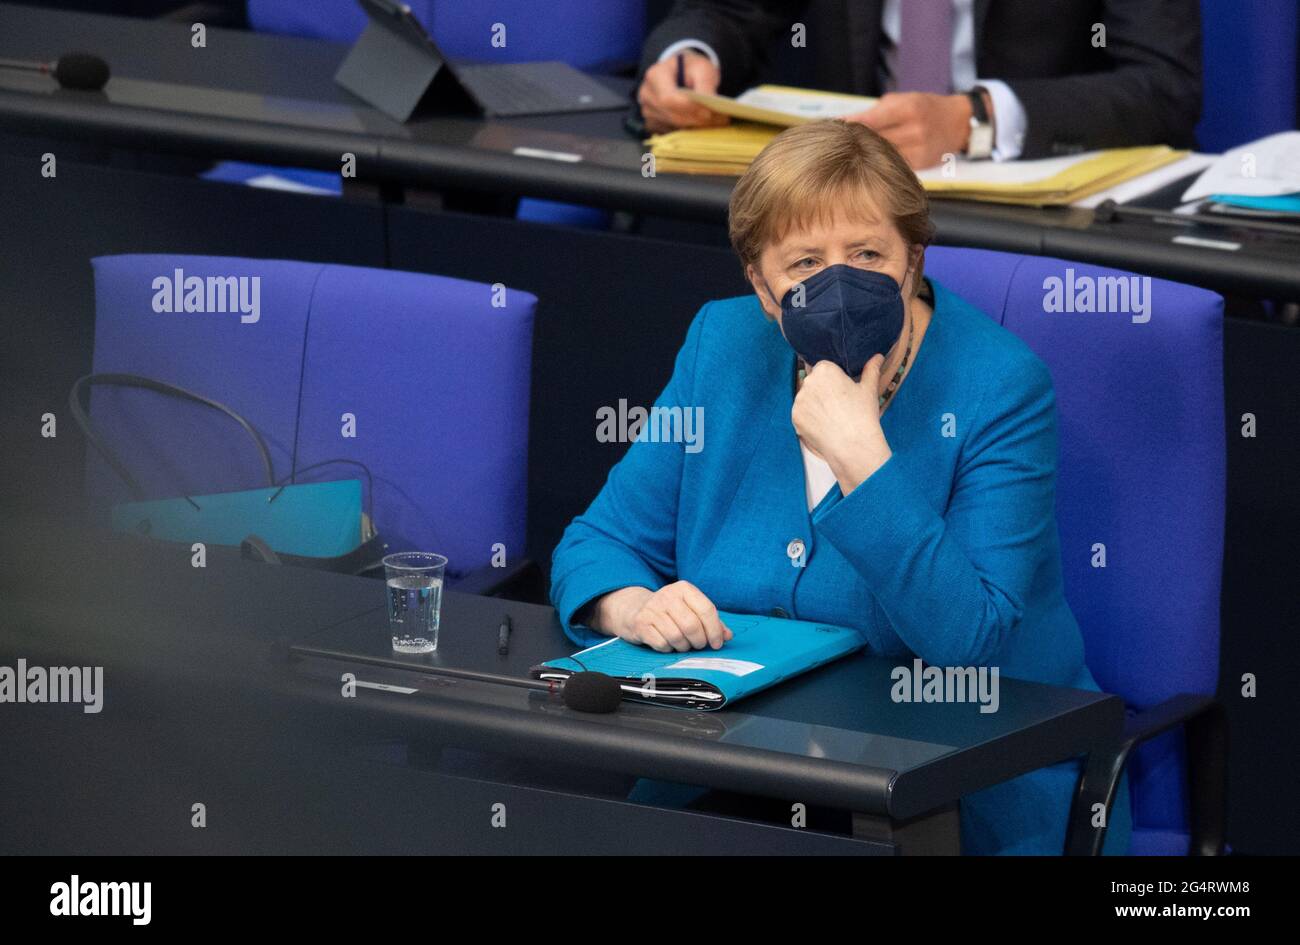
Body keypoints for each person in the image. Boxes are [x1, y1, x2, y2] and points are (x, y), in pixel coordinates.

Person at [549, 119, 1131, 855]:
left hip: (953, 788)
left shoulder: (1000, 387)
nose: (840, 284)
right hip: (745, 768)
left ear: (914, 261)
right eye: (803, 264)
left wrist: (864, 461)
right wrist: (633, 606)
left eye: (867, 254)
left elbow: (970, 641)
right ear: (761, 285)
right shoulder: (722, 345)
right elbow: (595, 543)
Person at [636, 0, 1201, 168]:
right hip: (844, 192)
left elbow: (1164, 84)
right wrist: (688, 58)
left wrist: (974, 120)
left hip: (1026, 202)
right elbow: (725, 12)